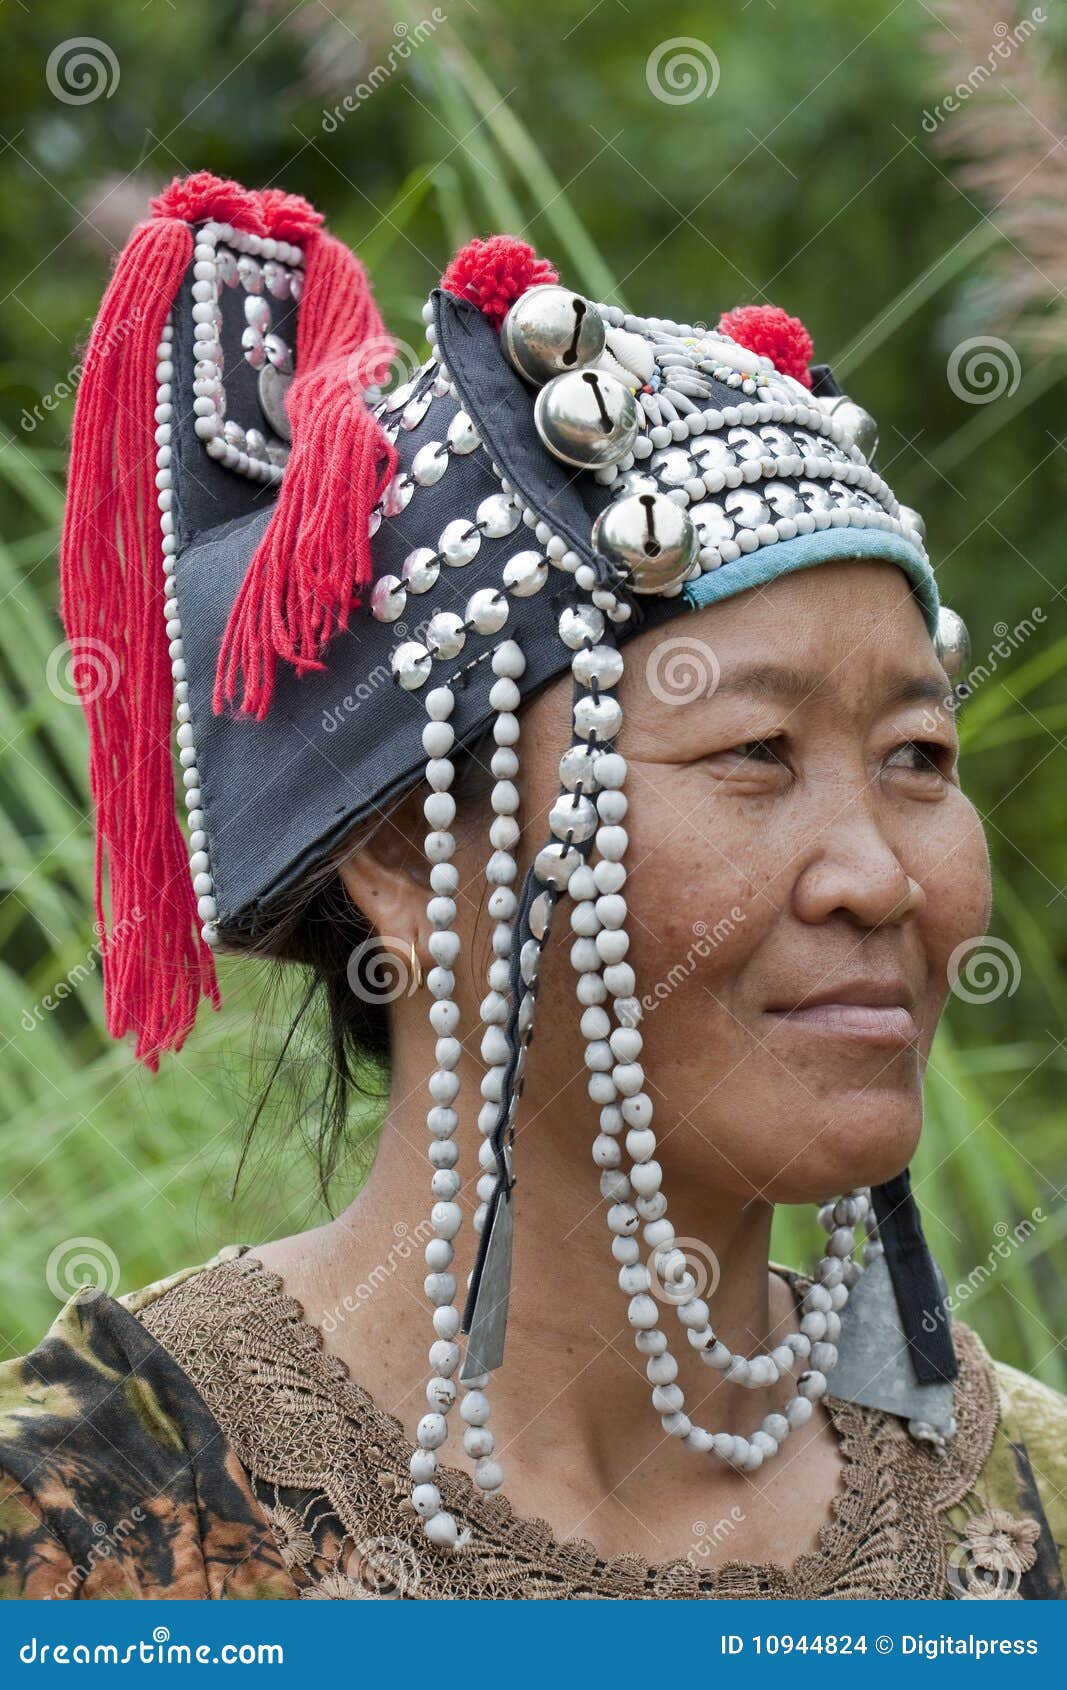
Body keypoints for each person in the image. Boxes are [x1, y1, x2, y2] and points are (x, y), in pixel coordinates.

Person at [1, 175, 1063, 1602]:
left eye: (918, 756)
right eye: (755, 750)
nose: (880, 875)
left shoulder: (1029, 1511)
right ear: (403, 857)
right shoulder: (91, 1526)